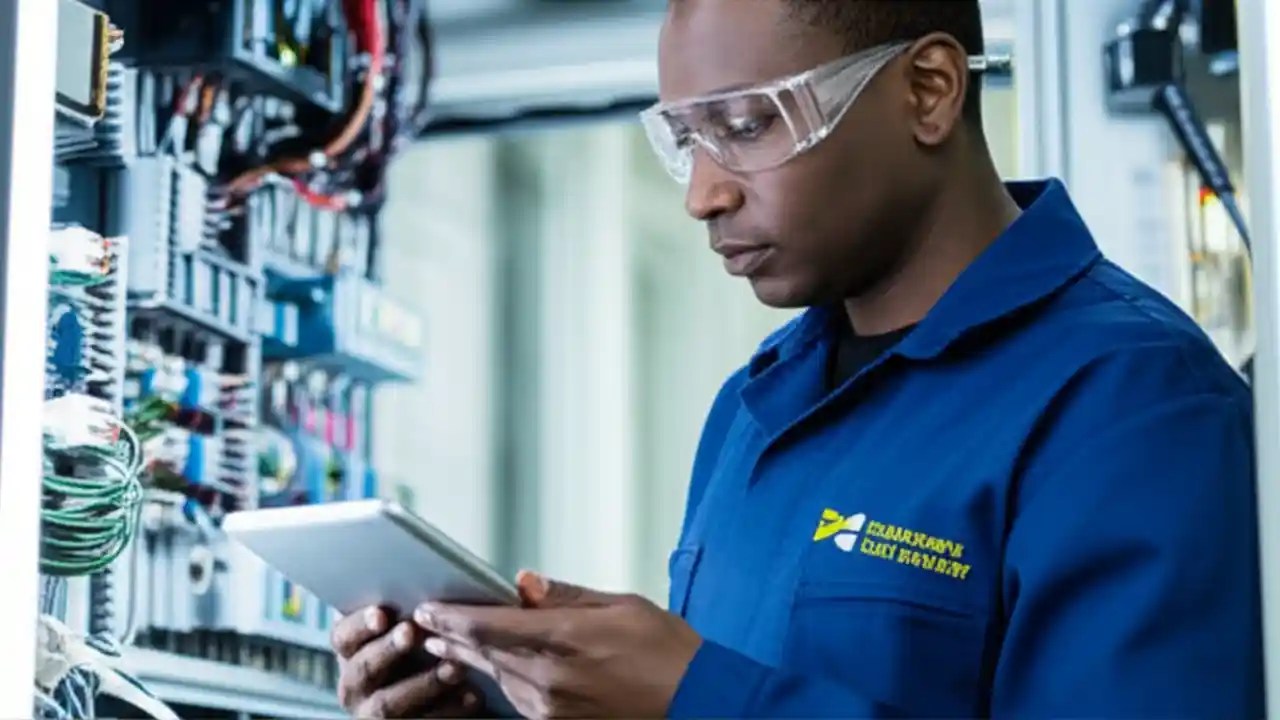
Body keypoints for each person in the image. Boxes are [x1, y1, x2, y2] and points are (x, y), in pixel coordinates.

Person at [331, 0, 1265, 716]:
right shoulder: (753, 408)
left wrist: (693, 698)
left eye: (747, 125)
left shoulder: (1136, 404)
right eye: (686, 139)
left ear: (929, 91)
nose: (703, 194)